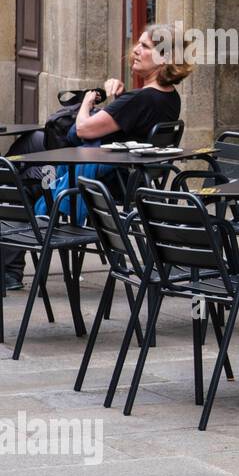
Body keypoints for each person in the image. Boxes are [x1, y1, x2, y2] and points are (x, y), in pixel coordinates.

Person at [2, 23, 193, 290]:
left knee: (14, 177)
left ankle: (9, 271)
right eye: (138, 43)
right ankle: (9, 269)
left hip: (103, 178)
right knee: (22, 151)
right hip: (124, 174)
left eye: (145, 47)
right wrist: (116, 97)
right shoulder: (169, 98)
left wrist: (87, 103)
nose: (135, 50)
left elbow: (83, 128)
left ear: (163, 60)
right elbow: (125, 125)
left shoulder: (141, 99)